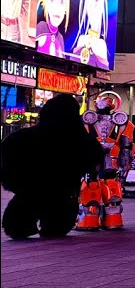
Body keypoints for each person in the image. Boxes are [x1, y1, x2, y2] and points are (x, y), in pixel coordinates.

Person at [1, 94, 101, 239]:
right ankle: (49, 225)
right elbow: (94, 154)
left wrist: (12, 180)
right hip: (62, 187)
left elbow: (7, 158)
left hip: (30, 186)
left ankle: (22, 226)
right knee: (58, 215)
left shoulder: (21, 138)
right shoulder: (78, 137)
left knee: (24, 209)